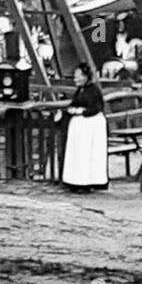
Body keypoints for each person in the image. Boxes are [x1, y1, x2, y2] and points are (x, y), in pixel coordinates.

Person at [59, 63, 109, 192]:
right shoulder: (80, 90)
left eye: (78, 76)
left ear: (86, 77)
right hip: (79, 125)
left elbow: (97, 107)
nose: (76, 80)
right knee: (77, 153)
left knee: (87, 153)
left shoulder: (94, 91)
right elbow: (74, 103)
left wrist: (82, 112)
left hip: (90, 125)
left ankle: (87, 182)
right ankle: (74, 181)